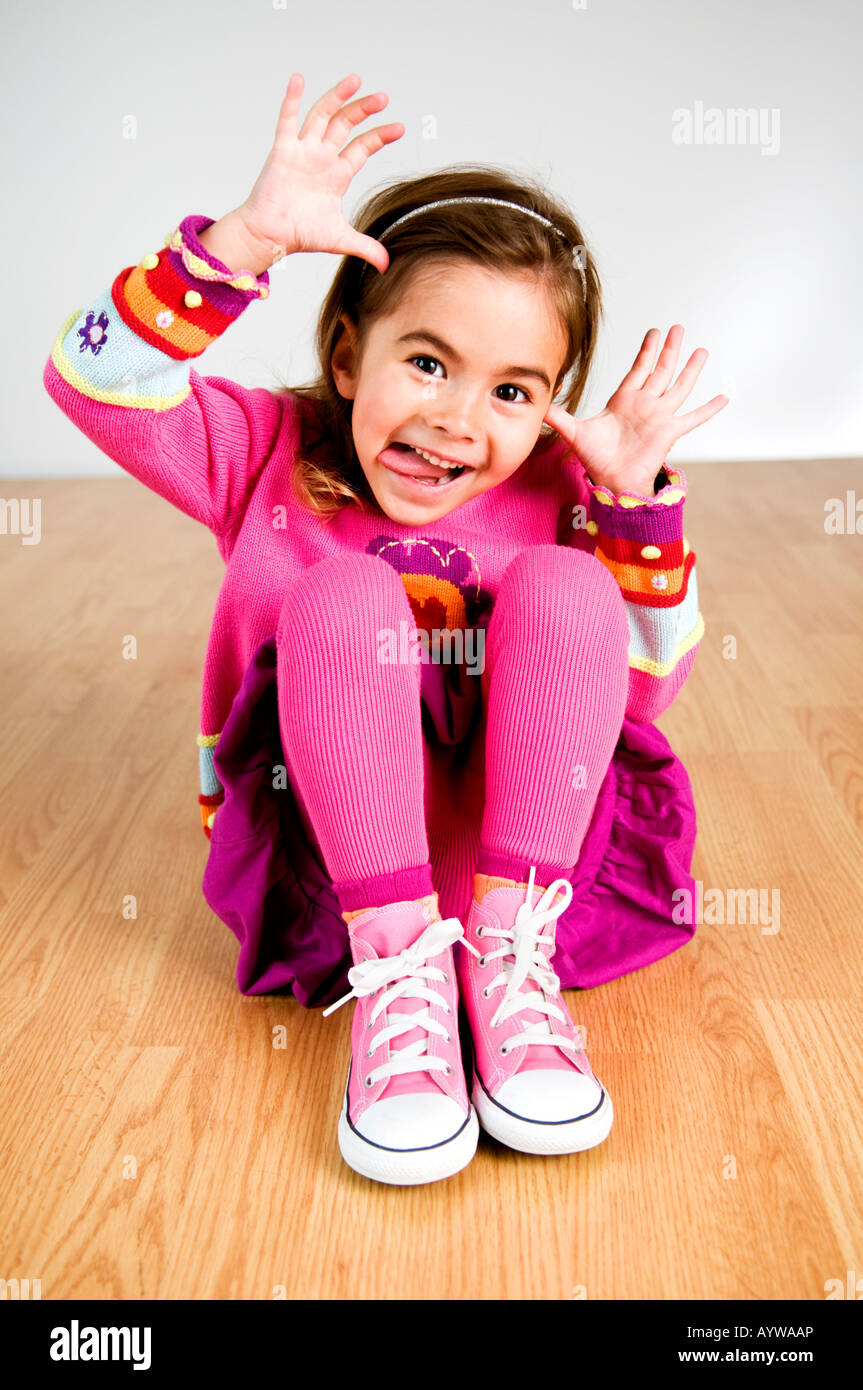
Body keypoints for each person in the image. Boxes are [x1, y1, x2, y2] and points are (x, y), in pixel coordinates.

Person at [43, 71, 728, 1188]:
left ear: (554, 401)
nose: (458, 419)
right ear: (350, 354)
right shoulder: (270, 453)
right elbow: (95, 382)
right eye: (425, 363)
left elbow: (639, 696)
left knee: (569, 588)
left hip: (523, 871)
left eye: (513, 391)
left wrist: (631, 505)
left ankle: (507, 972)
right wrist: (242, 243)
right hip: (337, 871)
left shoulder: (560, 488)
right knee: (342, 603)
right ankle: (400, 983)